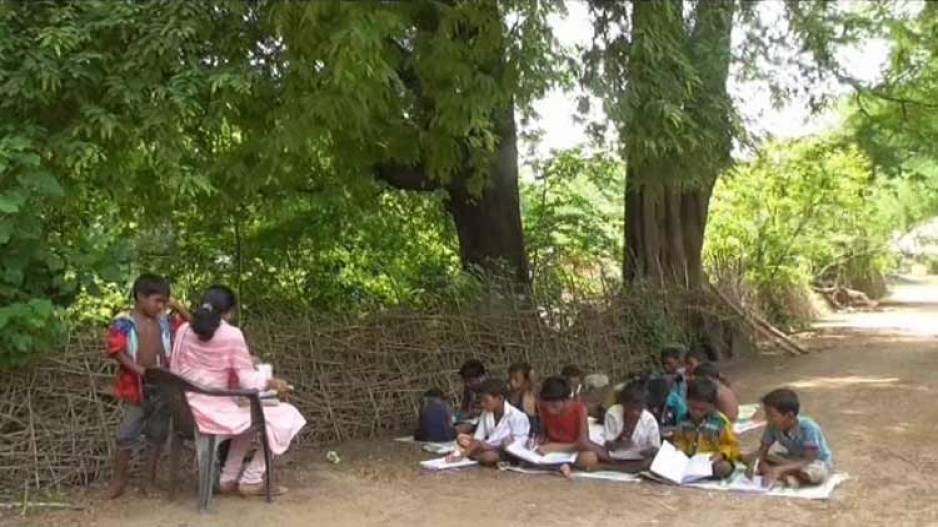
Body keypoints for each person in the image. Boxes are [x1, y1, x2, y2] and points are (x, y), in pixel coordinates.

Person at [171, 285, 306, 497]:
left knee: (251, 416)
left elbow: (176, 370)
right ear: (229, 312)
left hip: (185, 411)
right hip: (214, 413)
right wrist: (272, 382)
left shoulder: (183, 330)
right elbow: (248, 382)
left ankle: (228, 478)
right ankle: (252, 478)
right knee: (287, 415)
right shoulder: (232, 334)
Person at [105, 273, 190, 499]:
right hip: (136, 387)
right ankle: (118, 481)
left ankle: (148, 482)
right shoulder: (124, 321)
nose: (161, 305)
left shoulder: (166, 321)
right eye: (157, 300)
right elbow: (116, 351)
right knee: (126, 434)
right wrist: (139, 369)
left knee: (158, 434)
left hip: (162, 386)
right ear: (140, 297)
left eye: (164, 301)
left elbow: (191, 326)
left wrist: (177, 305)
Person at [745, 388, 833, 488]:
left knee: (814, 473)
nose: (767, 418)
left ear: (789, 416)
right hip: (791, 459)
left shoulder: (808, 427)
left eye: (771, 415)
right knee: (749, 458)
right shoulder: (772, 426)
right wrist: (754, 463)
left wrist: (779, 469)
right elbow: (763, 451)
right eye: (766, 414)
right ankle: (783, 475)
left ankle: (783, 475)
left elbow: (809, 460)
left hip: (814, 462)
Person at [450, 379, 530, 466]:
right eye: (481, 401)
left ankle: (474, 456)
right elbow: (478, 438)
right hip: (486, 447)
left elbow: (519, 445)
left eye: (486, 401)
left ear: (500, 398)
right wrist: (465, 453)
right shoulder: (486, 413)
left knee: (488, 457)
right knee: (462, 440)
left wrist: (492, 447)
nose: (482, 404)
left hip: (505, 452)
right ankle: (471, 456)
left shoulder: (517, 416)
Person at [672, 378, 740, 479]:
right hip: (689, 461)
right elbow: (680, 439)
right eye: (692, 408)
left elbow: (732, 445)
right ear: (686, 401)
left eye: (702, 409)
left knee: (723, 468)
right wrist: (680, 450)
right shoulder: (683, 420)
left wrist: (722, 454)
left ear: (713, 406)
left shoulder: (720, 422)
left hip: (712, 461)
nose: (696, 412)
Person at [531, 376, 598, 476]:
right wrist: (538, 441)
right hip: (550, 452)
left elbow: (582, 443)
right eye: (547, 405)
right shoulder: (543, 408)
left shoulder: (579, 409)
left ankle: (562, 466)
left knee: (589, 458)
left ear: (566, 401)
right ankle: (558, 466)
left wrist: (554, 448)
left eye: (554, 406)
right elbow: (543, 434)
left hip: (571, 450)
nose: (550, 410)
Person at [598, 381, 660, 472]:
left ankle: (610, 468)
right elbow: (608, 445)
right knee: (593, 455)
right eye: (631, 407)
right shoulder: (613, 413)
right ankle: (622, 469)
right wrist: (621, 437)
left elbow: (656, 448)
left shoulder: (649, 420)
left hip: (638, 459)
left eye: (639, 408)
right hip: (615, 456)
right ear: (623, 404)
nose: (634, 412)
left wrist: (648, 451)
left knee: (650, 462)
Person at [455, 359, 486, 433]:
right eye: (465, 381)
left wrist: (473, 413)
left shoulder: (490, 389)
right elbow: (464, 407)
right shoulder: (469, 388)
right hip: (470, 419)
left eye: (470, 381)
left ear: (481, 378)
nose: (467, 384)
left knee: (458, 430)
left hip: (484, 420)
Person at [507, 362, 538, 434]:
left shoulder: (528, 395)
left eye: (516, 379)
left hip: (527, 432)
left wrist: (531, 374)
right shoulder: (509, 395)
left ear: (526, 381)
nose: (512, 382)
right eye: (510, 378)